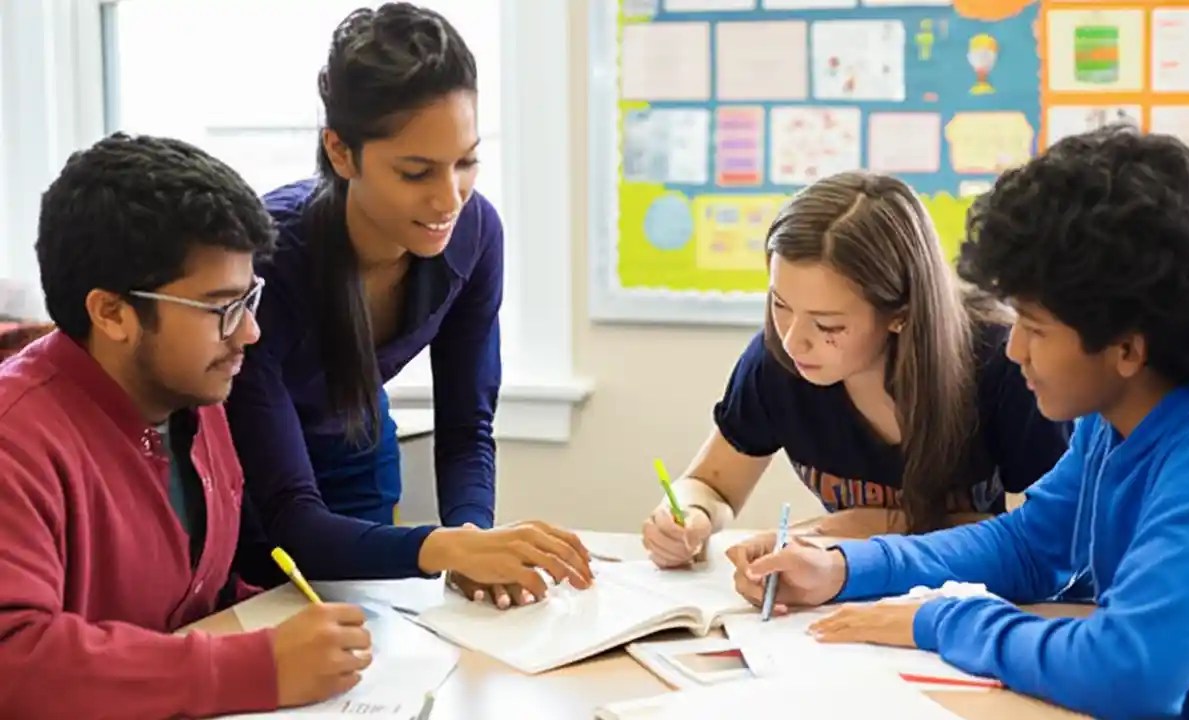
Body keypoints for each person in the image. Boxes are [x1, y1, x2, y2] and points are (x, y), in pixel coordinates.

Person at [727, 127, 1189, 719]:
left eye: (1035, 329)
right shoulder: (1125, 401)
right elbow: (1030, 545)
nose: (1013, 350)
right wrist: (842, 567)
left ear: (1126, 346)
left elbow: (1126, 671)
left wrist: (942, 619)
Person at [225, 3, 592, 608]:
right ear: (341, 152)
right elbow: (292, 521)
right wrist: (445, 548)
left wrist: (475, 539)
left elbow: (466, 425)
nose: (450, 198)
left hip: (359, 449)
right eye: (417, 171)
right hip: (254, 491)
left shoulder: (475, 234)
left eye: (467, 161)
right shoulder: (270, 259)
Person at [0, 133, 377, 717]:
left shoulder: (194, 396)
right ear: (112, 313)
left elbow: (198, 599)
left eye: (250, 298)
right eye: (222, 308)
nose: (249, 332)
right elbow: (15, 661)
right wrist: (258, 667)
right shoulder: (15, 438)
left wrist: (290, 634)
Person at [642, 170, 1070, 568]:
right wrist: (688, 514)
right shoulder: (777, 359)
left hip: (971, 592)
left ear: (900, 313)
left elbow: (1057, 531)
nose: (793, 340)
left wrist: (874, 528)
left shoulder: (1001, 362)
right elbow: (712, 485)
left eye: (828, 325)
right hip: (843, 587)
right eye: (780, 305)